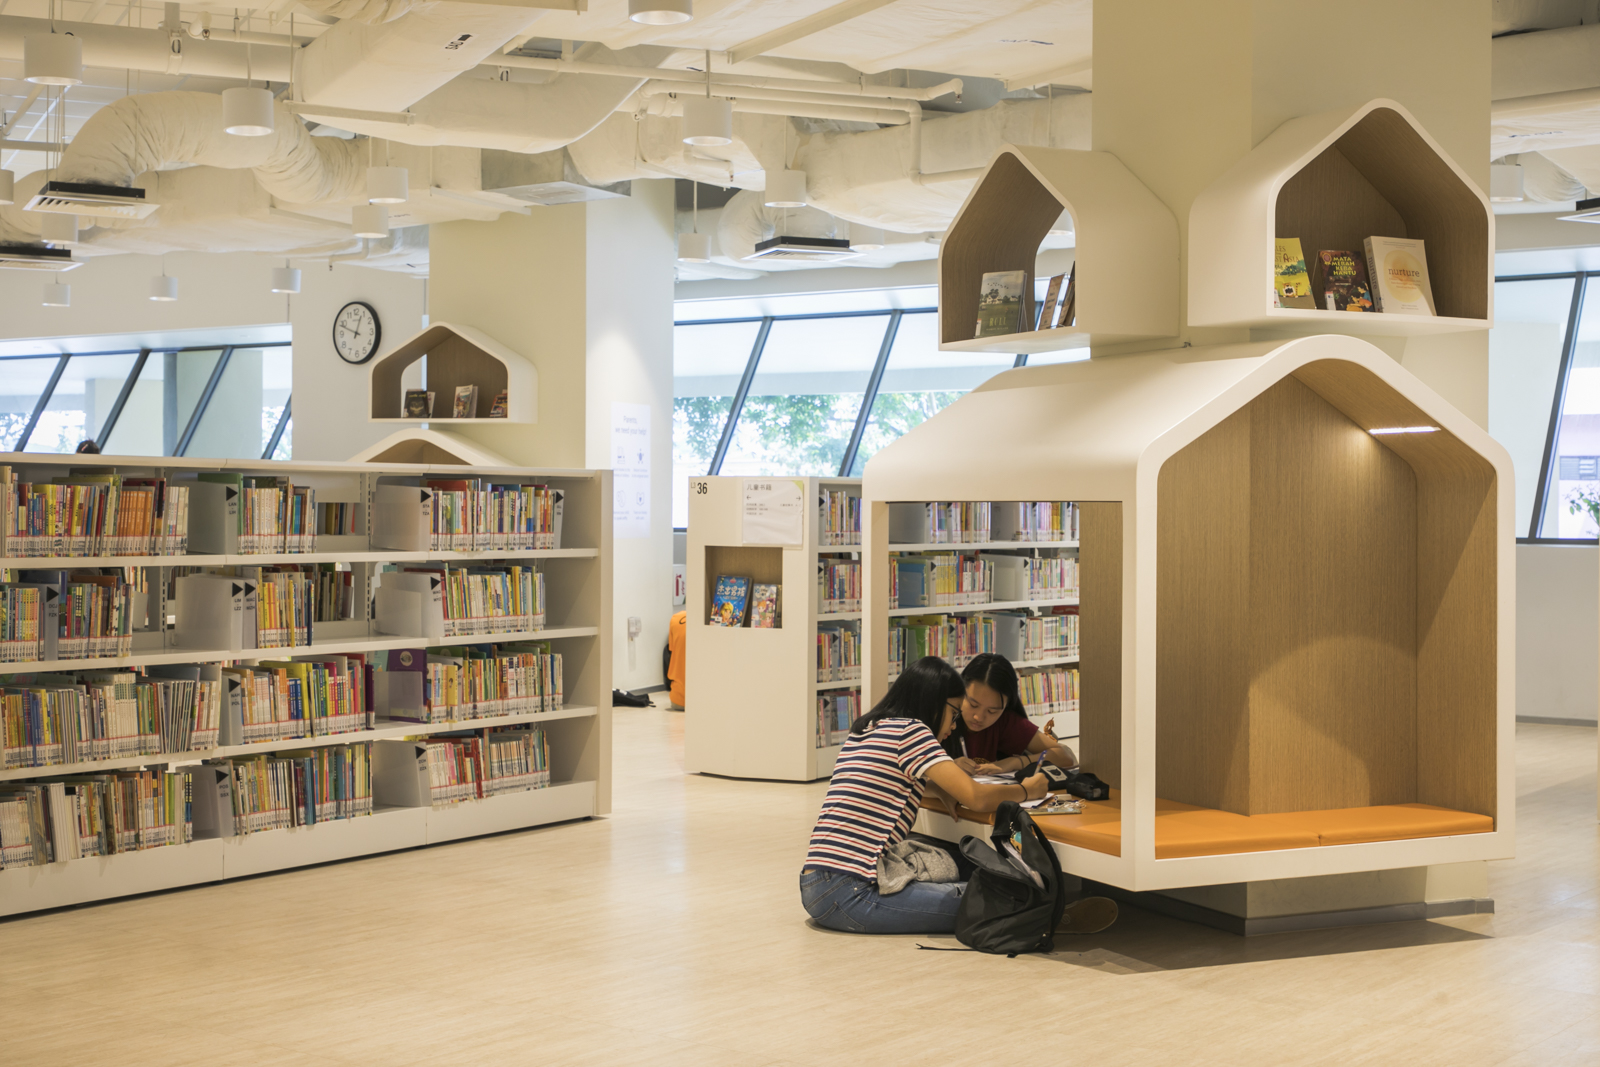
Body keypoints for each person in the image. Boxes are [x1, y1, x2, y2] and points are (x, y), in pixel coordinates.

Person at [799, 656, 1052, 934]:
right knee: (999, 900)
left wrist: (939, 790)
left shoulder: (869, 727)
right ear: (933, 701)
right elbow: (976, 798)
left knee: (973, 870)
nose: (955, 725)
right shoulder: (912, 731)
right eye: (954, 712)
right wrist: (1029, 789)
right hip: (849, 892)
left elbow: (885, 782)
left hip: (818, 881)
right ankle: (1054, 914)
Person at [946, 652, 1078, 776]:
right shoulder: (943, 716)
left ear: (1006, 706)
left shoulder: (1005, 721)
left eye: (992, 711)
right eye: (973, 705)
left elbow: (1064, 756)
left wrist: (1014, 763)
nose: (978, 717)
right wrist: (947, 767)